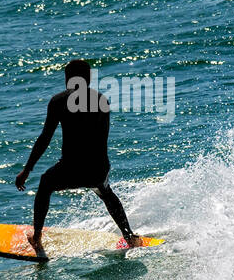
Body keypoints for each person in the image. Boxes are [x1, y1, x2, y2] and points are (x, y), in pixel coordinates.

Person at [14, 60, 140, 256]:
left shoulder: (59, 101)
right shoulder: (102, 100)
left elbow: (45, 138)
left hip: (71, 169)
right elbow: (102, 139)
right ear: (89, 79)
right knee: (105, 191)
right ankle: (129, 236)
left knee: (45, 182)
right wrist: (101, 169)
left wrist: (27, 169)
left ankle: (37, 238)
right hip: (98, 169)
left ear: (67, 79)